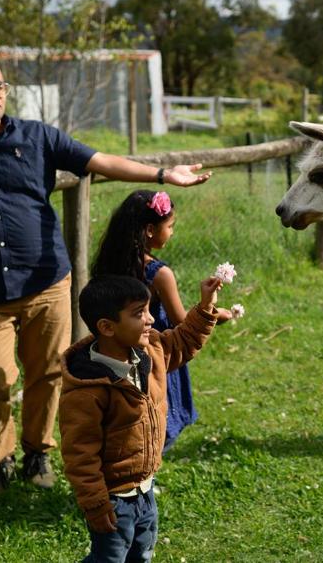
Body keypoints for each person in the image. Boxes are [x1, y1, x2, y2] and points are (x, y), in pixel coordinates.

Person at [0, 58, 212, 497]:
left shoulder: (37, 136)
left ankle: (37, 453)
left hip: (48, 283)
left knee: (48, 373)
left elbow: (99, 160)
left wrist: (164, 174)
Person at [61, 273, 221, 563]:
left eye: (148, 310)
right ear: (107, 327)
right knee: (108, 559)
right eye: (139, 314)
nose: (150, 319)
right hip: (113, 501)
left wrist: (206, 304)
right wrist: (96, 504)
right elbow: (79, 454)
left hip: (146, 492)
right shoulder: (87, 390)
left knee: (142, 556)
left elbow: (184, 340)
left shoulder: (151, 350)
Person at [90, 189, 231, 452]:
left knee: (125, 423)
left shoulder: (109, 264)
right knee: (156, 423)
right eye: (170, 226)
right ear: (150, 230)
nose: (173, 232)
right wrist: (212, 310)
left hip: (115, 353)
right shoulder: (158, 273)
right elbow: (181, 322)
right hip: (156, 353)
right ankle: (143, 480)